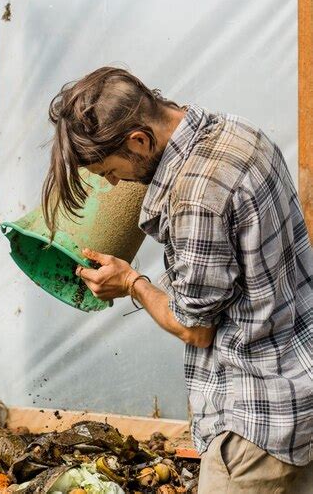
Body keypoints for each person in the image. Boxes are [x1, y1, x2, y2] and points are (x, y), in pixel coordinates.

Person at [42, 67, 312, 493]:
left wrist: (132, 283)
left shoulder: (197, 196)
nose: (114, 183)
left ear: (139, 140)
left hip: (254, 423)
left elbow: (195, 328)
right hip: (300, 387)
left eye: (110, 171)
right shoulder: (240, 132)